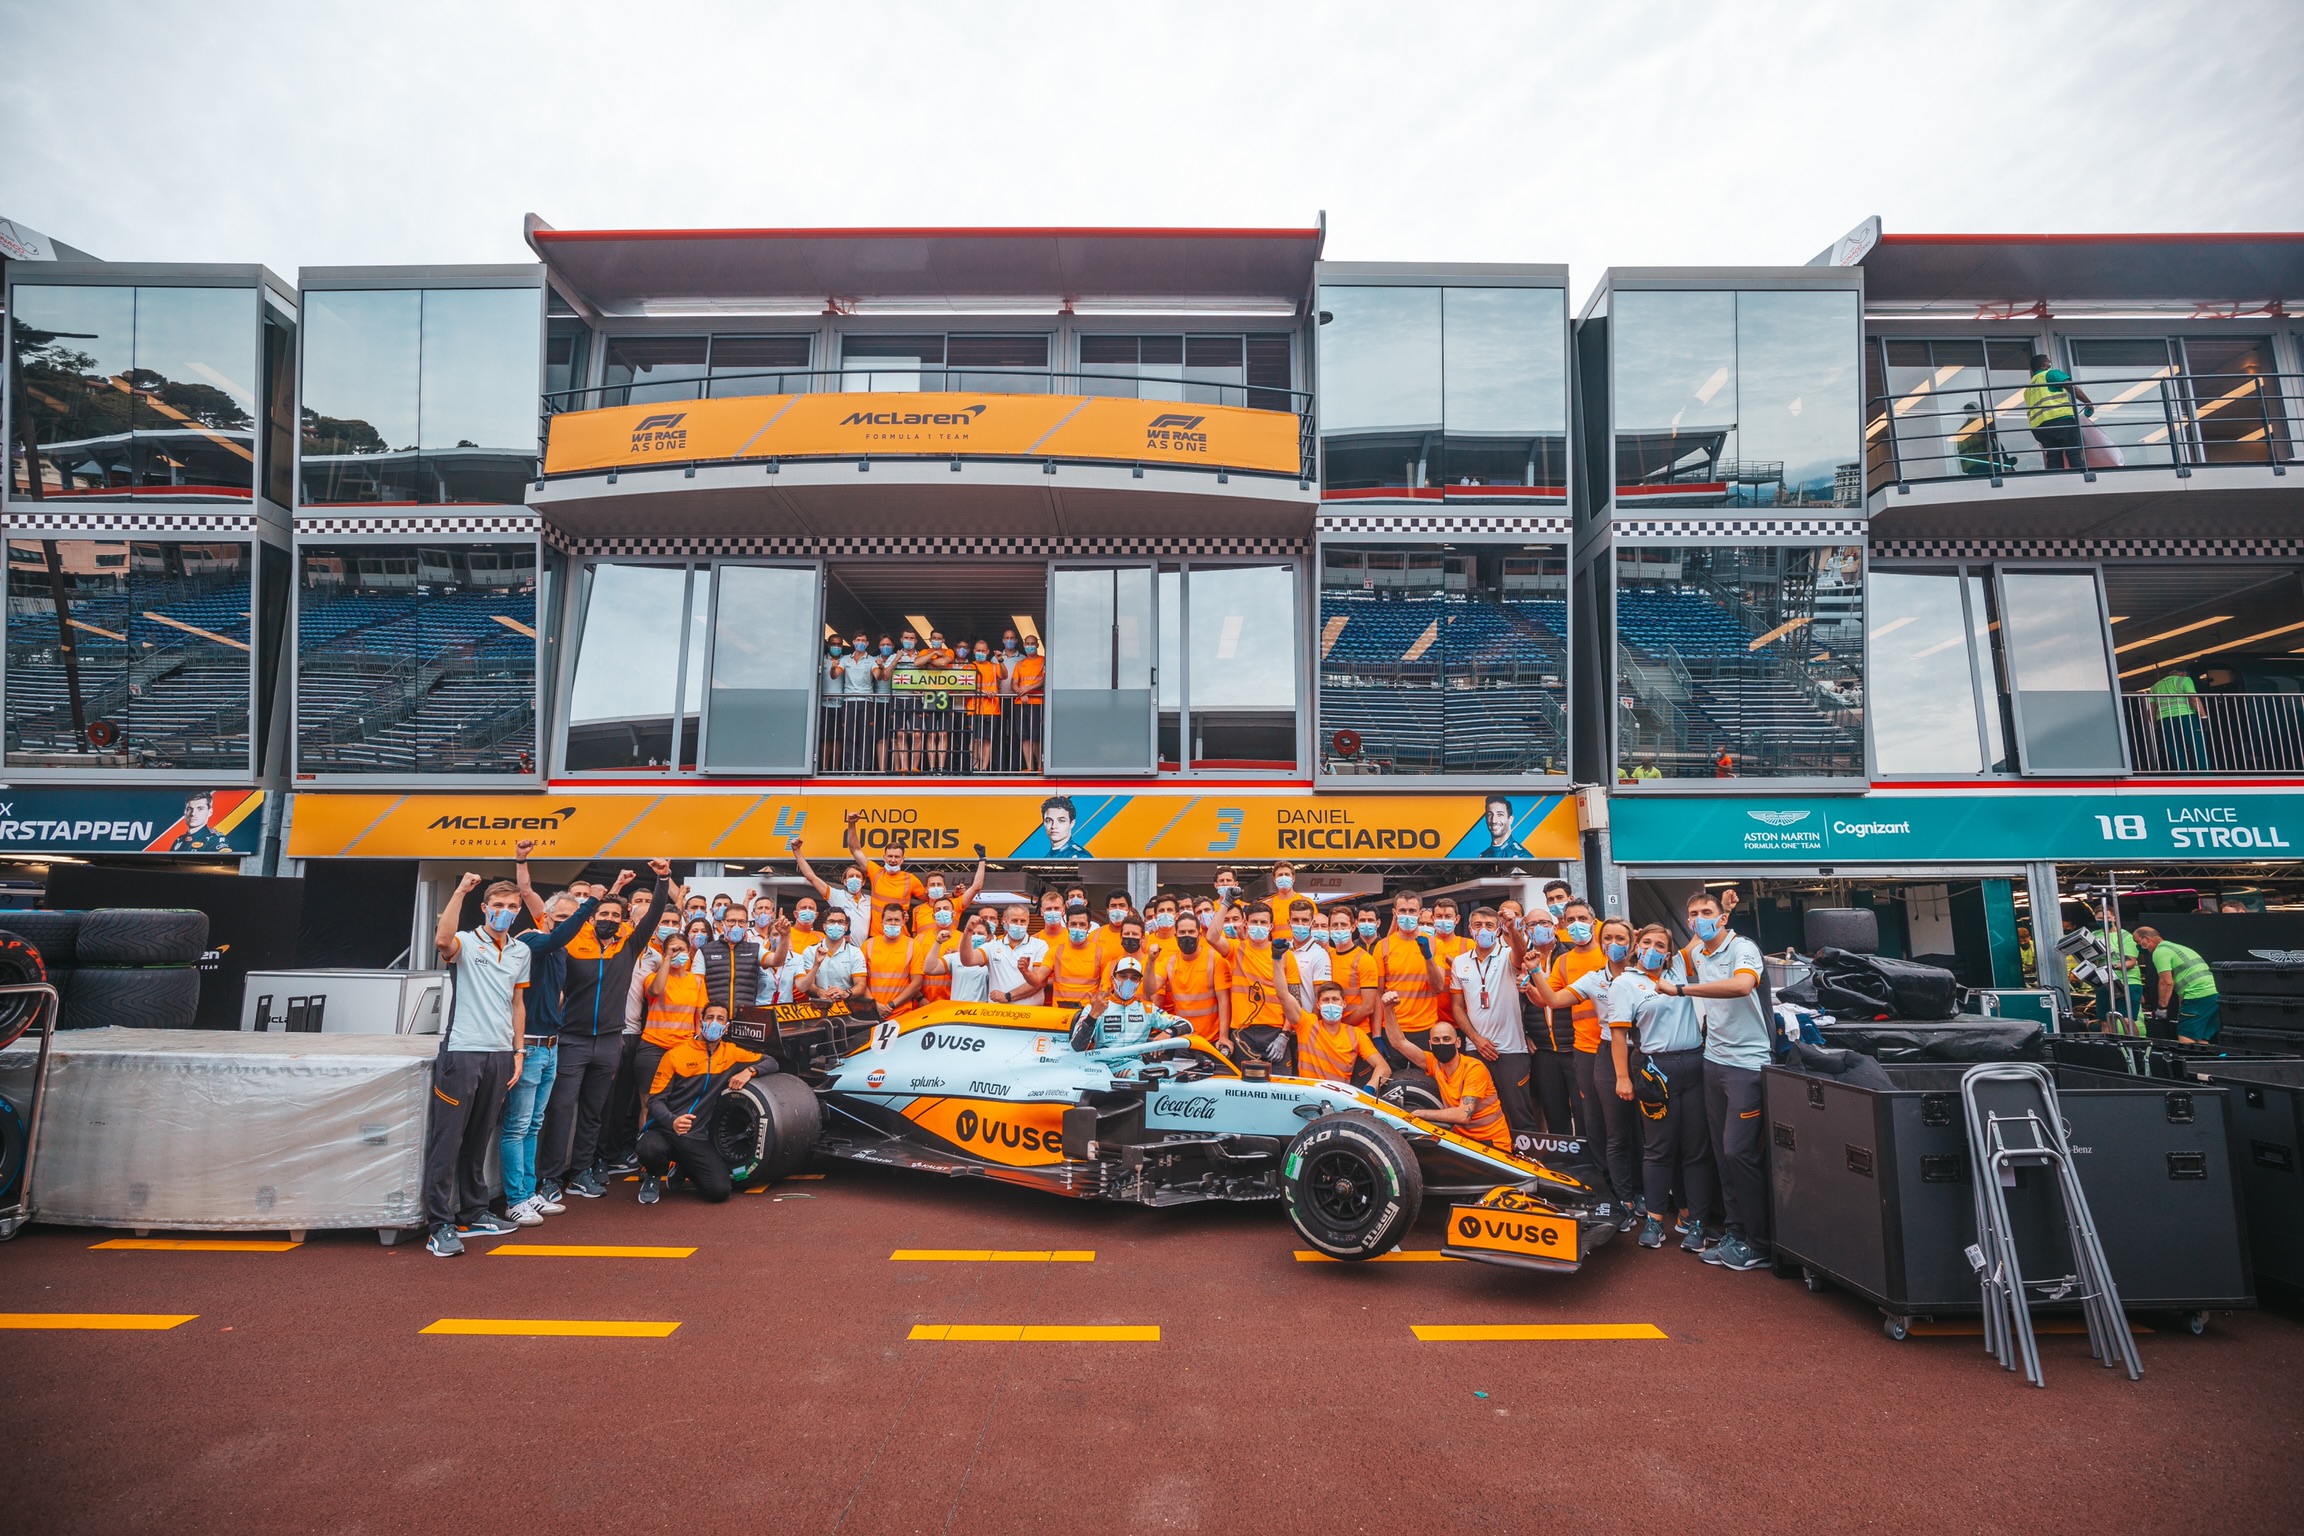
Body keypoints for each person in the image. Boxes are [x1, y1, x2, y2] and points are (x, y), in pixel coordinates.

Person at [1653, 890, 1771, 1271]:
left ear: (1722, 919)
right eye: (1693, 914)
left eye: (1707, 912)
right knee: (1722, 1154)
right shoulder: (1699, 953)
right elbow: (1684, 955)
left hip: (1748, 1064)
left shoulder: (1743, 948)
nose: (1700, 918)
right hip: (1713, 1060)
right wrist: (1701, 932)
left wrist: (1683, 989)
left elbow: (1741, 986)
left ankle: (1760, 1241)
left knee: (1740, 1152)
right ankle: (1735, 1232)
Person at [542, 860, 665, 1205]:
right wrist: (592, 901)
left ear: (623, 921)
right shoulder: (572, 946)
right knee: (562, 1109)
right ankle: (550, 1177)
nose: (608, 920)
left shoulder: (627, 948)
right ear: (593, 917)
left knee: (594, 1111)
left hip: (609, 1041)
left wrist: (663, 878)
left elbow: (654, 914)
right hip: (572, 1040)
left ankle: (581, 1170)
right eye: (603, 914)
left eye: (615, 916)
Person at [424, 874, 532, 1257]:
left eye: (512, 907)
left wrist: (518, 1053)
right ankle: (439, 1224)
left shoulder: (521, 951)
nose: (505, 913)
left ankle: (475, 1211)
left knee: (479, 1138)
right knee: (448, 1138)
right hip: (463, 1051)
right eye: (498, 906)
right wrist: (460, 892)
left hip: (500, 1055)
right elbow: (441, 941)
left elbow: (517, 1004)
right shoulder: (467, 942)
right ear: (485, 909)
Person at [501, 848, 609, 1225]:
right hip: (528, 1045)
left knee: (533, 1124)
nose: (569, 925)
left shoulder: (559, 950)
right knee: (517, 1125)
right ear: (547, 918)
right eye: (560, 919)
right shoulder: (532, 939)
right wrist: (590, 902)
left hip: (550, 1045)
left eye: (571, 917)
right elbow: (557, 928)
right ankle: (516, 1197)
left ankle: (529, 1193)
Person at [1524, 910, 1640, 1215]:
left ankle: (1643, 1191)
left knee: (1641, 1126)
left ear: (1632, 941)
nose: (1614, 944)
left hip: (1643, 1054)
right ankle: (1615, 1192)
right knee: (1602, 1126)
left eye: (1620, 938)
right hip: (1595, 1052)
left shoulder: (1646, 973)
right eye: (1609, 939)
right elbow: (1554, 1000)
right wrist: (1535, 971)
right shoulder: (1591, 976)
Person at [1613, 924, 1718, 1252]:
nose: (1653, 949)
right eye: (1647, 943)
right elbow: (1618, 1035)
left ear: (1669, 954)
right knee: (1658, 1149)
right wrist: (1622, 1077)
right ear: (1637, 946)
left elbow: (1700, 936)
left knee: (1696, 1150)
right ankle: (1656, 1221)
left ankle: (1696, 1222)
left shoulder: (1678, 973)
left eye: (1661, 945)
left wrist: (1722, 911)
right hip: (1656, 1070)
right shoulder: (1625, 983)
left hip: (1694, 1063)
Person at [636, 1003, 764, 1206]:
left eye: (720, 1019)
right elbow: (655, 1101)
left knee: (719, 1192)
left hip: (696, 1136)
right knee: (649, 1148)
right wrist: (673, 1121)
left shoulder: (731, 1053)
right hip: (666, 1131)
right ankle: (653, 1175)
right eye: (709, 1017)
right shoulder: (675, 1055)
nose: (714, 1022)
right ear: (700, 1022)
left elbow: (770, 1061)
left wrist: (749, 1071)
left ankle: (683, 1166)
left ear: (727, 1027)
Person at [1449, 906, 1538, 1139]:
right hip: (1475, 1050)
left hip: (1511, 1050)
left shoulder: (1507, 954)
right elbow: (1457, 1007)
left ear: (1497, 930)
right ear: (1470, 930)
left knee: (1518, 1113)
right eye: (1478, 925)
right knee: (1478, 1112)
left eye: (1489, 926)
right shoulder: (1459, 962)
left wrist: (1512, 928)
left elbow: (1520, 955)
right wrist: (1476, 1039)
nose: (1483, 930)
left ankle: (1527, 1165)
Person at [1386, 1013, 1504, 1148]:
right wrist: (1388, 1008)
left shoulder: (1474, 1068)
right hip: (1462, 1140)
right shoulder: (1433, 1063)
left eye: (1446, 1039)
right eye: (1436, 1040)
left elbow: (1463, 1115)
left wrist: (1418, 1113)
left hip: (1491, 1142)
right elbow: (1399, 1042)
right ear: (1430, 1044)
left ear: (1458, 1042)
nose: (1441, 1043)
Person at [1513, 902, 1578, 1135]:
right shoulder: (1520, 959)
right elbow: (1514, 1005)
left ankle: (1589, 1160)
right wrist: (1525, 1034)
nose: (1539, 928)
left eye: (1544, 923)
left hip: (1573, 1045)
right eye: (1532, 924)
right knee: (1554, 1109)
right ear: (1525, 929)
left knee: (1582, 1109)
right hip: (1542, 1049)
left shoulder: (1570, 954)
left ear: (1554, 925)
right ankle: (1562, 1160)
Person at [1373, 892, 1446, 1068]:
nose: (1407, 915)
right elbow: (1378, 993)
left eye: (1412, 910)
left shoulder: (1436, 944)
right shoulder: (1383, 946)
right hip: (1392, 1028)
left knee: (1426, 1083)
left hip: (1425, 1029)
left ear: (1420, 913)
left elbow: (1438, 986)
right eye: (1402, 910)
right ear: (1394, 912)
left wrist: (1428, 956)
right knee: (1392, 1088)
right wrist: (1376, 1034)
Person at [1276, 977, 1389, 1087]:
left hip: (1339, 1098)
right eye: (1326, 1000)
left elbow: (1383, 1068)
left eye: (1335, 999)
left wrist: (1369, 1089)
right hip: (1308, 1095)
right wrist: (1277, 961)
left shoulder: (1356, 1034)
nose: (1330, 1003)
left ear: (1343, 1004)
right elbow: (1283, 995)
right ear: (1318, 1005)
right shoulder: (1307, 1025)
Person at [1069, 956, 1196, 1050]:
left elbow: (1187, 1025)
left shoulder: (1147, 1008)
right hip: (1101, 1067)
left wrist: (1168, 1033)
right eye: (1123, 976)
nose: (1128, 981)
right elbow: (1076, 1048)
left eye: (1134, 978)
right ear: (1113, 979)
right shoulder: (1096, 1007)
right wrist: (1092, 1017)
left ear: (1139, 982)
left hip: (1134, 1065)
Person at [1153, 909, 1228, 1044]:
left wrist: (1224, 1036)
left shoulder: (1214, 958)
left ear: (1199, 934)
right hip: (1183, 1038)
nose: (1186, 936)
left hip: (1211, 1039)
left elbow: (1223, 1001)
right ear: (1175, 936)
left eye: (1191, 932)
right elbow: (1151, 988)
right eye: (1182, 932)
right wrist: (1151, 962)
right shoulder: (1169, 962)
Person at [2135, 926, 2221, 1042]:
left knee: (2186, 1037)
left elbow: (2166, 982)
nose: (2138, 946)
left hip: (2197, 996)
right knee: (2200, 1039)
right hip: (2214, 996)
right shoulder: (2178, 948)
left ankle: (2188, 1060)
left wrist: (2162, 1008)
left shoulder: (2160, 952)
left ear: (2146, 939)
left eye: (2138, 942)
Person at [965, 904, 1052, 1005]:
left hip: (1029, 1014)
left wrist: (1008, 996)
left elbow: (1040, 982)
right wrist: (968, 931)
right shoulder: (992, 946)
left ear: (1028, 922)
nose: (1019, 924)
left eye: (1023, 921)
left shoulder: (1039, 945)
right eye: (1015, 920)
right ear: (1006, 922)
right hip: (998, 1014)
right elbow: (968, 960)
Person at [2024, 351, 2094, 471]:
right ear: (2044, 364)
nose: (2050, 364)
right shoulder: (2050, 374)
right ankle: (2079, 476)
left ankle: (2056, 477)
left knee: (2053, 456)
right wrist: (2088, 403)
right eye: (2049, 362)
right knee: (2073, 452)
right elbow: (2072, 387)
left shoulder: (2028, 389)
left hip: (2040, 428)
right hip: (2061, 420)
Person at [864, 901, 927, 1018]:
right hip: (872, 1012)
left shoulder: (913, 945)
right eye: (889, 920)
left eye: (897, 920)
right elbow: (861, 981)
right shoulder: (868, 945)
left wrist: (891, 1005)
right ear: (882, 922)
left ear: (903, 922)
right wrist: (875, 1005)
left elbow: (916, 983)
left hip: (902, 1013)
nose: (893, 923)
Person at [2145, 668, 2209, 771]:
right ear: (2183, 673)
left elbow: (2151, 709)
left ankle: (2183, 775)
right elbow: (2193, 698)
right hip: (2186, 716)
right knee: (2197, 746)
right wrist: (2204, 717)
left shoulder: (2154, 687)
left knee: (2174, 749)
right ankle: (2204, 774)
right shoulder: (2184, 680)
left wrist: (2155, 726)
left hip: (2164, 719)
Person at [1048, 903, 1107, 1009]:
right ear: (1067, 926)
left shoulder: (1101, 953)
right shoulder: (1055, 951)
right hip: (1059, 1013)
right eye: (1073, 924)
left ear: (1089, 926)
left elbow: (1105, 987)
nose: (1077, 928)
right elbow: (1038, 978)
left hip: (1088, 1014)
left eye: (1082, 924)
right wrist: (1026, 971)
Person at [802, 907, 867, 1002]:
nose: (836, 925)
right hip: (818, 1007)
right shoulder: (810, 951)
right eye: (832, 921)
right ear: (824, 926)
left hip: (846, 1009)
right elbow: (807, 984)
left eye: (840, 922)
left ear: (846, 927)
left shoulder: (855, 953)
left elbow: (861, 984)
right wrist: (820, 992)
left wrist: (845, 993)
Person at [1012, 632, 1044, 772]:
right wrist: (1021, 692)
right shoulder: (1020, 664)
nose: (1030, 646)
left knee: (1036, 737)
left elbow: (1044, 680)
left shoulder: (1043, 660)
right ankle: (1030, 767)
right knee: (1024, 736)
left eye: (1032, 644)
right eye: (1028, 644)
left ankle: (1040, 766)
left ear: (1037, 645)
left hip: (1037, 703)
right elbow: (1014, 683)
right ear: (1024, 645)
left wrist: (1028, 690)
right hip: (1021, 704)